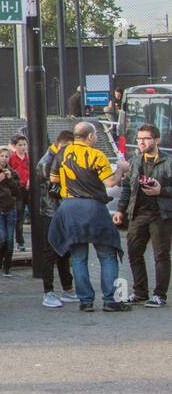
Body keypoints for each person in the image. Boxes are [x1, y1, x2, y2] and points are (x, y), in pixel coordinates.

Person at [49, 121, 129, 313]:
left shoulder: (63, 153)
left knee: (78, 257)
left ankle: (85, 301)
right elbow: (110, 182)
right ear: (90, 136)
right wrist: (121, 169)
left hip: (69, 208)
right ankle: (110, 300)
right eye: (96, 136)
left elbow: (53, 179)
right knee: (107, 253)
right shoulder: (96, 155)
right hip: (94, 208)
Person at [115, 124, 171, 308]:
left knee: (160, 256)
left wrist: (161, 191)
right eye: (139, 139)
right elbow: (127, 188)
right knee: (133, 253)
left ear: (156, 140)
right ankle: (140, 292)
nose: (141, 142)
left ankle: (159, 295)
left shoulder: (168, 161)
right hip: (137, 214)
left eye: (146, 138)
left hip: (161, 215)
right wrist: (120, 210)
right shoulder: (135, 161)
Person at [35, 129, 78, 308]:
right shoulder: (47, 162)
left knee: (64, 251)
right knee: (50, 251)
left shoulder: (54, 158)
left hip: (60, 209)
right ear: (60, 144)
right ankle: (48, 291)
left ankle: (67, 289)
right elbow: (47, 181)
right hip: (51, 212)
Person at [0, 146, 23, 276]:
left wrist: (9, 179)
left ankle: (7, 266)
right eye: (1, 156)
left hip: (10, 208)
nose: (4, 159)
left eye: (6, 156)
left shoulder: (13, 173)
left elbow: (18, 192)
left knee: (9, 238)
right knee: (1, 237)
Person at [8, 134, 31, 251]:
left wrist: (29, 180)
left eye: (24, 145)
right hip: (18, 190)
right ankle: (20, 242)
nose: (23, 147)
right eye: (20, 145)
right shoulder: (12, 159)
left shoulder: (30, 157)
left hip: (29, 189)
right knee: (19, 217)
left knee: (36, 215)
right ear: (14, 146)